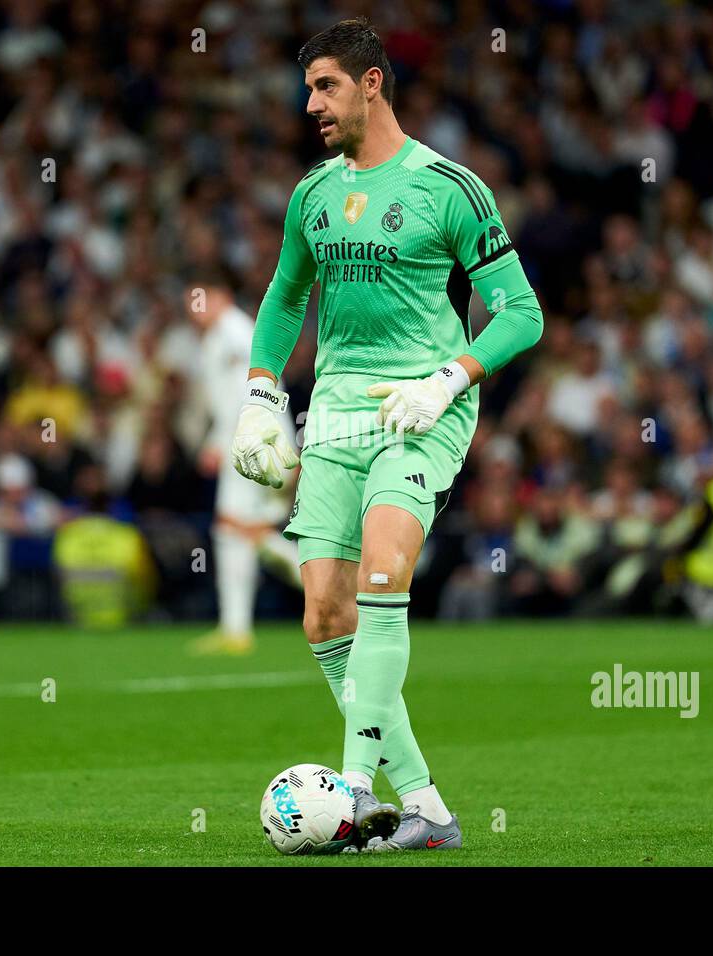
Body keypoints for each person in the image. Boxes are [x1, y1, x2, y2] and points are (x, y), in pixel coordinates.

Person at [229, 19, 542, 851]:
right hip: (334, 412)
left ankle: (351, 789)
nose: (310, 105)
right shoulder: (312, 195)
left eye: (325, 86)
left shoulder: (450, 187)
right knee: (326, 618)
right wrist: (263, 393)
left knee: (382, 571)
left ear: (372, 85)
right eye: (307, 89)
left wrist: (448, 381)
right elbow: (285, 298)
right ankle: (429, 809)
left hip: (422, 410)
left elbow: (522, 313)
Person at [183, 269, 301, 655]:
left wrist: (218, 442)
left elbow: (245, 395)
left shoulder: (233, 333)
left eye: (200, 298)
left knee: (236, 530)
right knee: (244, 532)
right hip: (253, 443)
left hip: (255, 444)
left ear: (222, 296)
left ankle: (238, 627)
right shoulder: (221, 335)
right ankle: (237, 627)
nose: (194, 308)